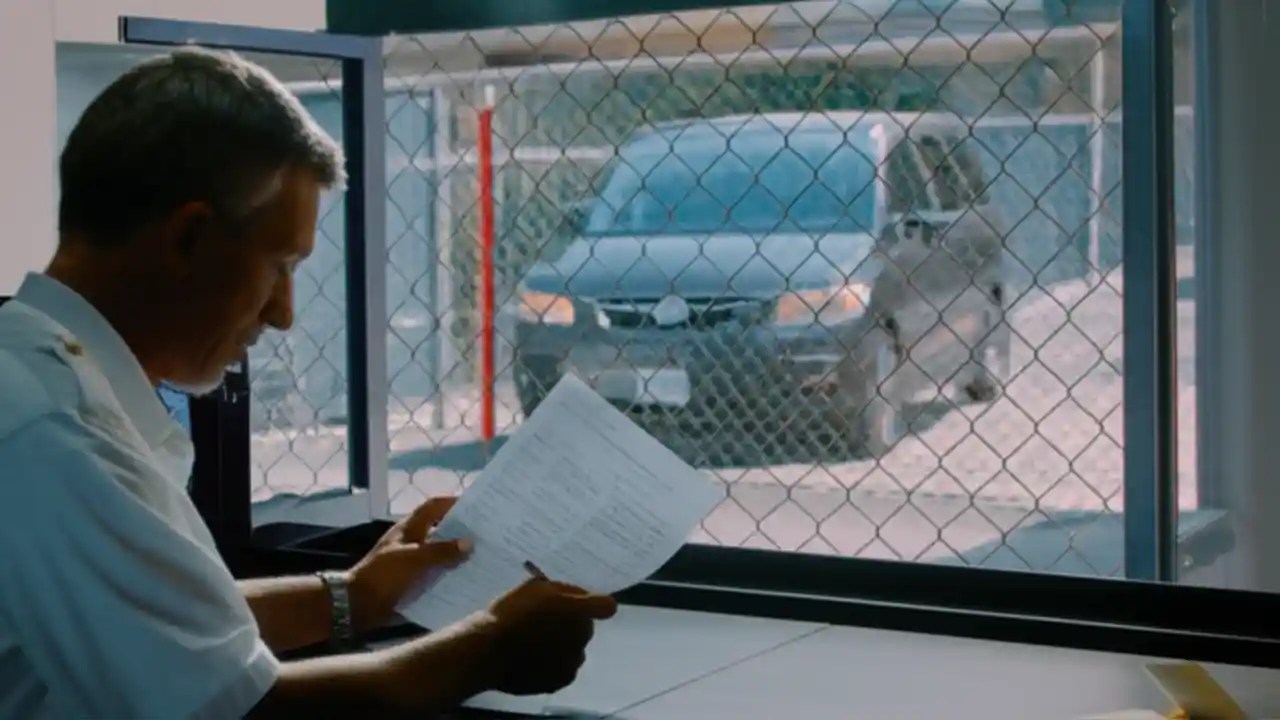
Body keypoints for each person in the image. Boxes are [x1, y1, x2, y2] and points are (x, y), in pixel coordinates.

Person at [0, 48, 617, 718]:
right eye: (281, 265)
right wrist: (487, 648)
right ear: (190, 238)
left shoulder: (33, 377)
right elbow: (243, 711)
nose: (284, 313)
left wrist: (358, 595)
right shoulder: (58, 433)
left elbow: (165, 631)